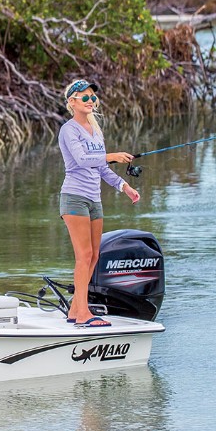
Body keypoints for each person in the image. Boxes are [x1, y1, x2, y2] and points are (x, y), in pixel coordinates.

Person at [58, 79, 140, 327]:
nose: (91, 101)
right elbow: (83, 160)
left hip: (95, 200)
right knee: (83, 256)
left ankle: (75, 309)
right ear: (72, 102)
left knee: (93, 256)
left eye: (93, 97)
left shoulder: (96, 131)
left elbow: (102, 169)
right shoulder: (69, 130)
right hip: (74, 198)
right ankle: (83, 314)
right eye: (85, 97)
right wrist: (112, 155)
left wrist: (124, 187)